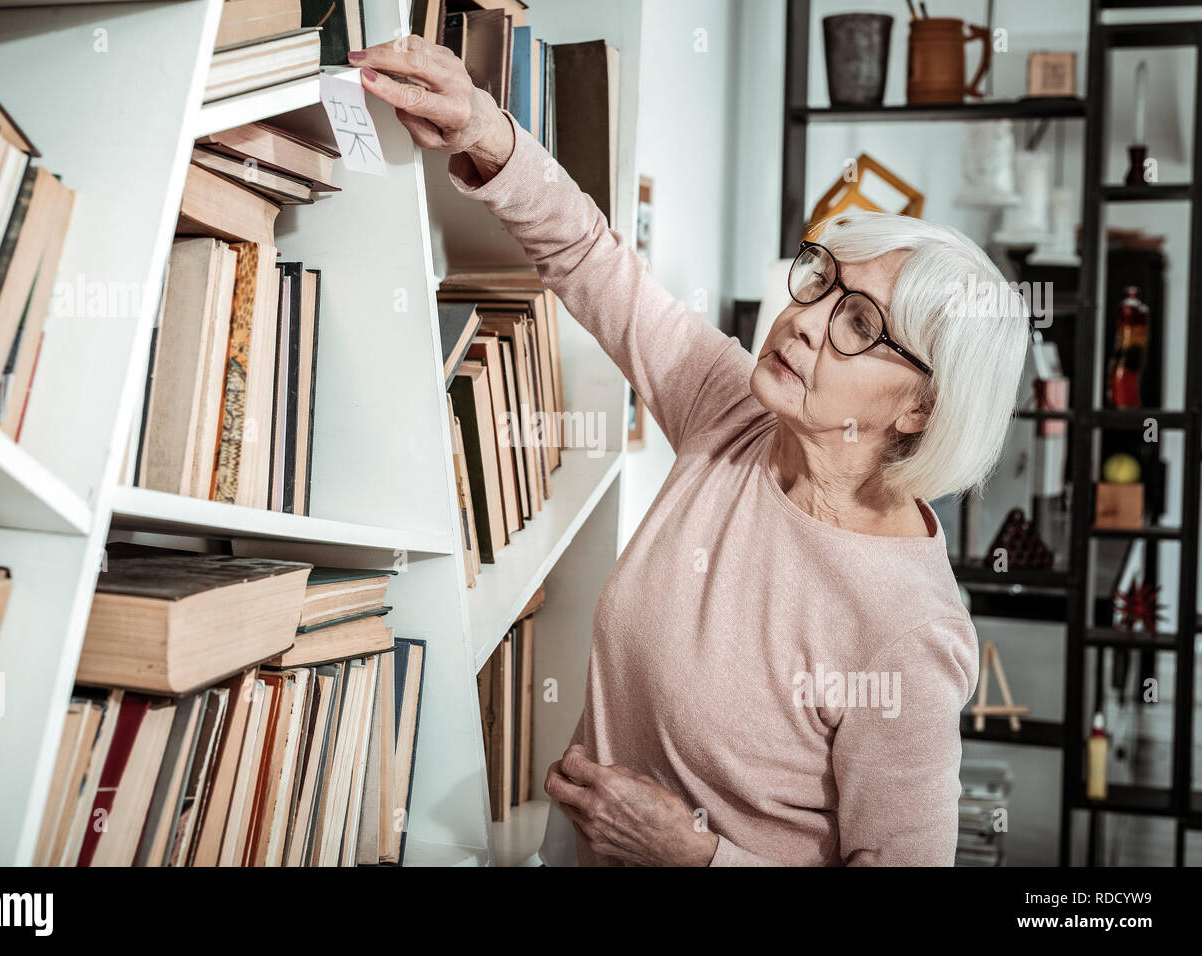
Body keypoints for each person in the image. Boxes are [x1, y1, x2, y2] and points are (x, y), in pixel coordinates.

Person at [353, 35, 1030, 866]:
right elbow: (594, 262)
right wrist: (485, 130)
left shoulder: (908, 630)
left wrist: (696, 856)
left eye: (860, 325)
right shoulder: (738, 410)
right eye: (822, 280)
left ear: (922, 406)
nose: (807, 320)